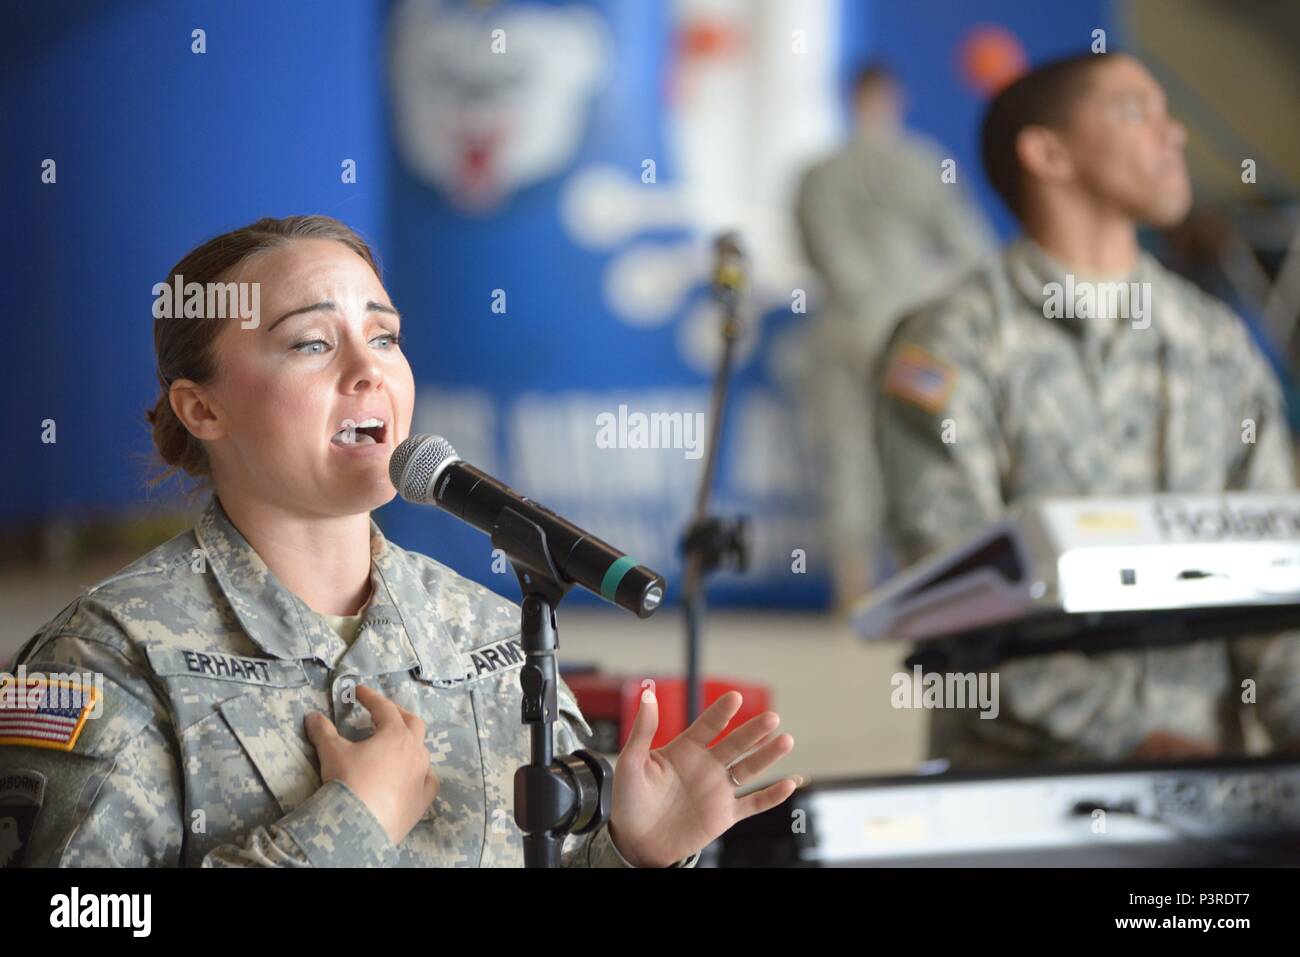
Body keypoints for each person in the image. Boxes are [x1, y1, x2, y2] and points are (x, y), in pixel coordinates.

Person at [0, 215, 798, 867]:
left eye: (383, 337)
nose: (367, 369)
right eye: (311, 342)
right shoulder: (102, 658)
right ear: (201, 410)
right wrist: (348, 827)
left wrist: (630, 852)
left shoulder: (492, 634)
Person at [875, 52, 1300, 768]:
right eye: (1137, 111)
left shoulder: (1214, 338)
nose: (1175, 135)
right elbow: (960, 591)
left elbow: (1275, 566)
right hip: (1019, 795)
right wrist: (1132, 741)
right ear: (1048, 152)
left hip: (1211, 795)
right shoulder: (953, 341)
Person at [794, 62, 994, 611]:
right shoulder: (924, 163)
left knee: (847, 453)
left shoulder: (818, 173)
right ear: (894, 98)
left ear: (849, 97)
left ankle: (852, 588)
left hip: (844, 331)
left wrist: (861, 286)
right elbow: (971, 247)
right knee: (919, 448)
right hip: (914, 332)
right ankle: (926, 582)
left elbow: (823, 256)